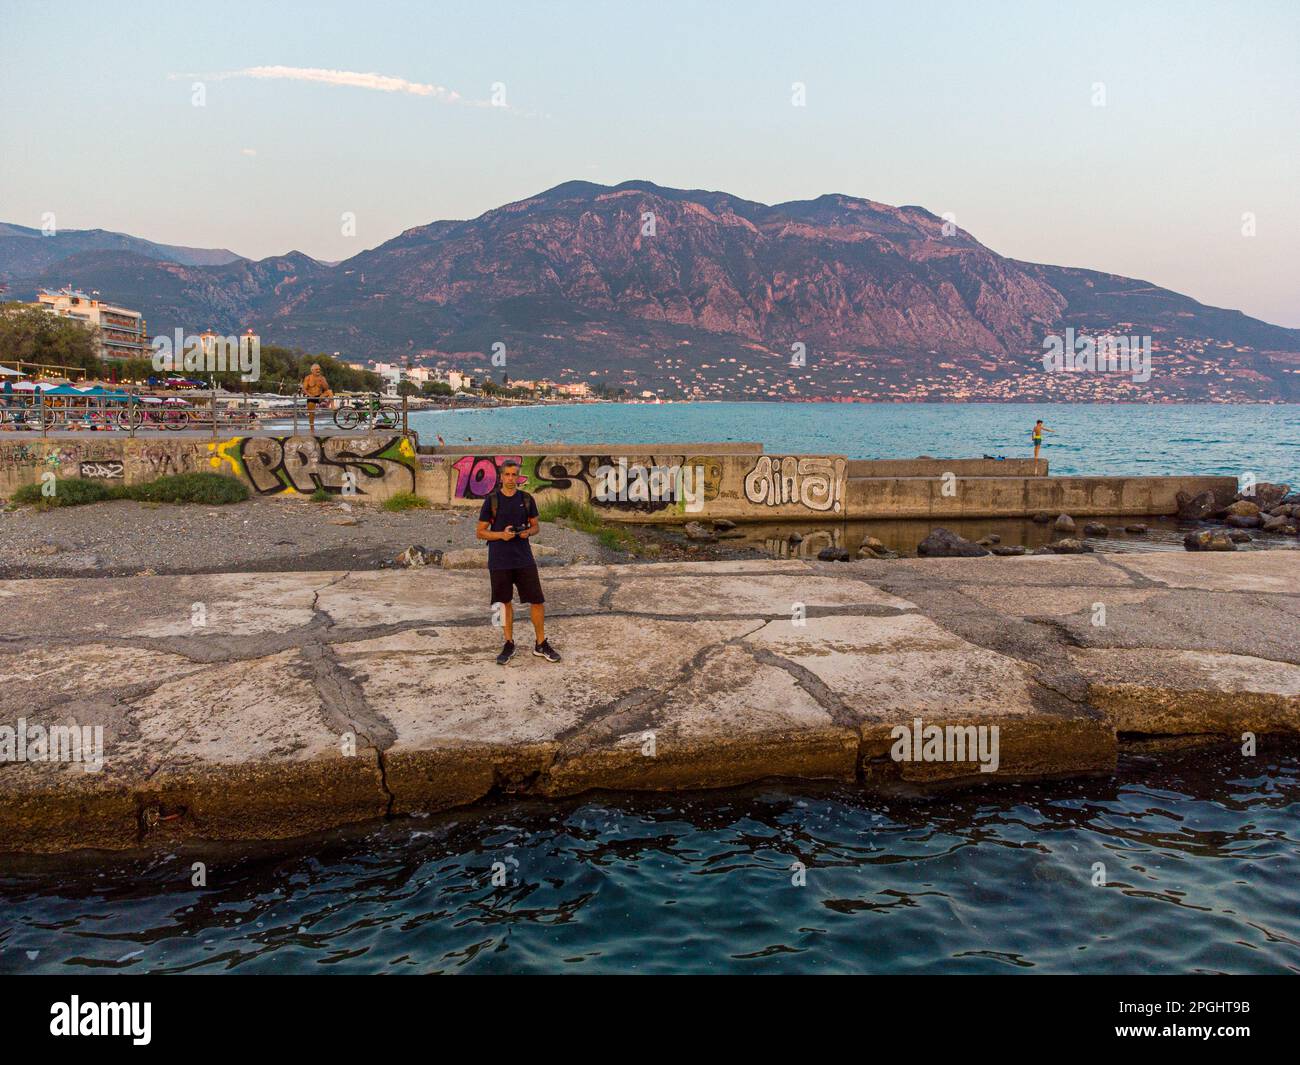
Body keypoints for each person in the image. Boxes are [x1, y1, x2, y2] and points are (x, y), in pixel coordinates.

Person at [476, 460, 561, 665]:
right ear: (501, 477)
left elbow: (535, 527)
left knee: (537, 600)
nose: (511, 479)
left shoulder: (527, 499)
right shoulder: (492, 501)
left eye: (514, 475)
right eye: (507, 475)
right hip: (499, 559)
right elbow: (480, 532)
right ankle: (508, 643)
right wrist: (501, 535)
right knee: (503, 602)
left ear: (518, 477)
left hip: (523, 557)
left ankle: (541, 643)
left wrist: (527, 533)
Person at [301, 363, 332, 432]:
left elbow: (326, 388)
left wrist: (323, 382)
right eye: (316, 369)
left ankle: (332, 406)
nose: (318, 370)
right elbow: (304, 389)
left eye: (319, 369)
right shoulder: (308, 378)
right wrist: (309, 394)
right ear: (312, 370)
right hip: (311, 397)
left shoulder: (322, 378)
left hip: (319, 396)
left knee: (329, 391)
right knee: (311, 415)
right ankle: (312, 429)